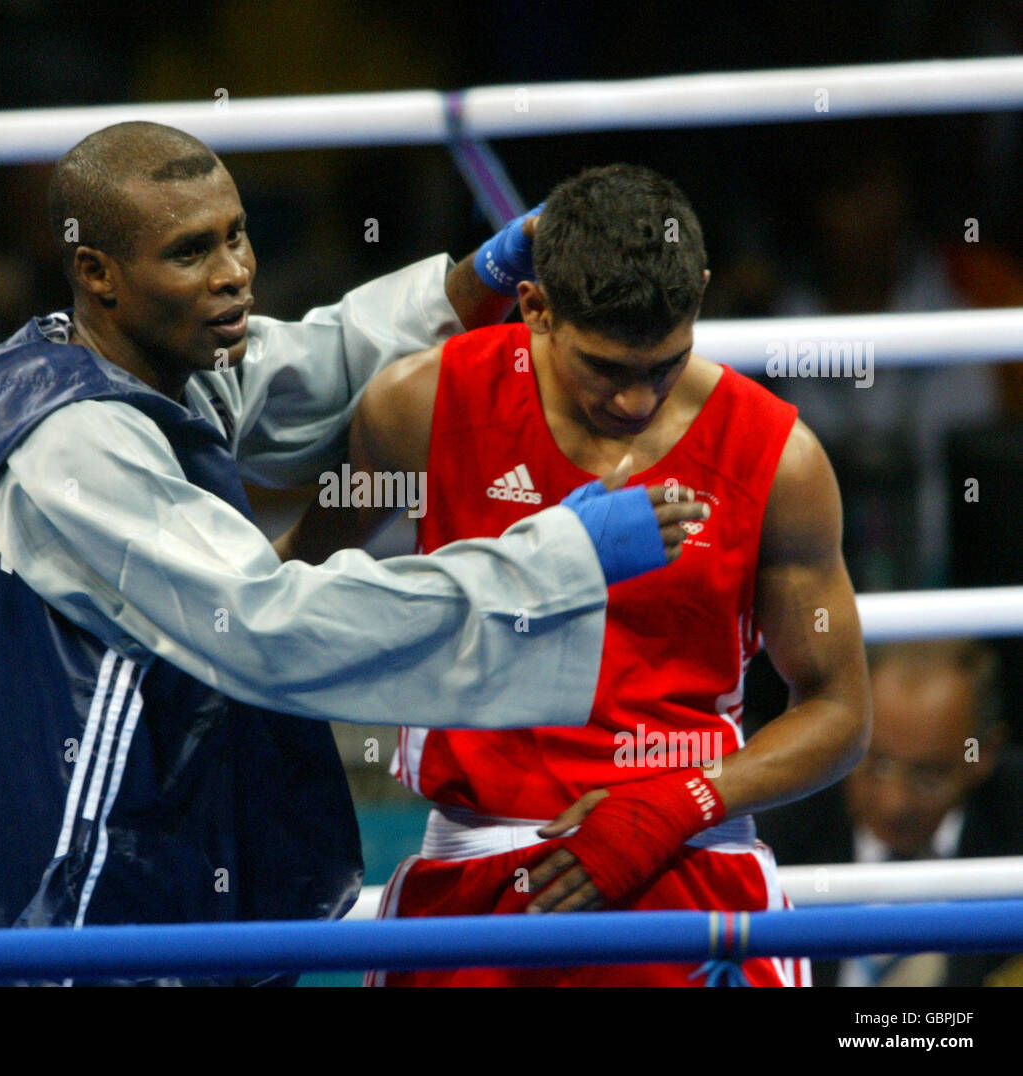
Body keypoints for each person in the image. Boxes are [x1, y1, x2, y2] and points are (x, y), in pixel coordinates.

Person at [0, 123, 703, 985]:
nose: (232, 270)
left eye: (235, 233)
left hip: (125, 863)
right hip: (67, 912)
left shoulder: (130, 363)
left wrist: (478, 278)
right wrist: (557, 560)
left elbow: (316, 365)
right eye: (190, 251)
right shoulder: (79, 450)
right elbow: (275, 626)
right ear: (97, 275)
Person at [309, 163, 871, 987]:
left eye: (664, 364)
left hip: (692, 868)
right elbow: (295, 593)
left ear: (701, 295)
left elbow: (841, 712)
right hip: (477, 872)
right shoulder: (426, 404)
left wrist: (679, 804)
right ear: (536, 306)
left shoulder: (776, 458)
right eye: (607, 369)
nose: (637, 402)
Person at [758, 638, 1023, 987]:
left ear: (982, 753)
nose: (893, 802)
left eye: (928, 776)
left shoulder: (1013, 820)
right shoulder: (773, 816)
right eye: (875, 764)